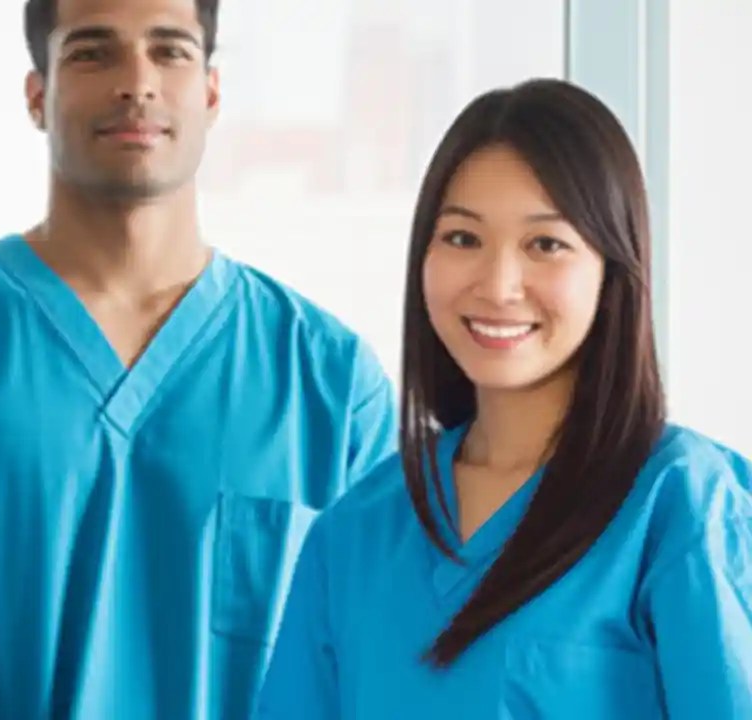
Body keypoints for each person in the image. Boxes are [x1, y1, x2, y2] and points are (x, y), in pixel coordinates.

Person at [0, 0, 397, 717]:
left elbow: (378, 673)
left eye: (169, 50)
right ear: (37, 95)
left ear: (210, 91)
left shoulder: (328, 383)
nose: (136, 82)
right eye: (92, 52)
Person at [256, 78, 752, 719]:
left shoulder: (683, 508)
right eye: (463, 238)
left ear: (611, 271)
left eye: (545, 244)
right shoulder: (354, 535)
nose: (498, 284)